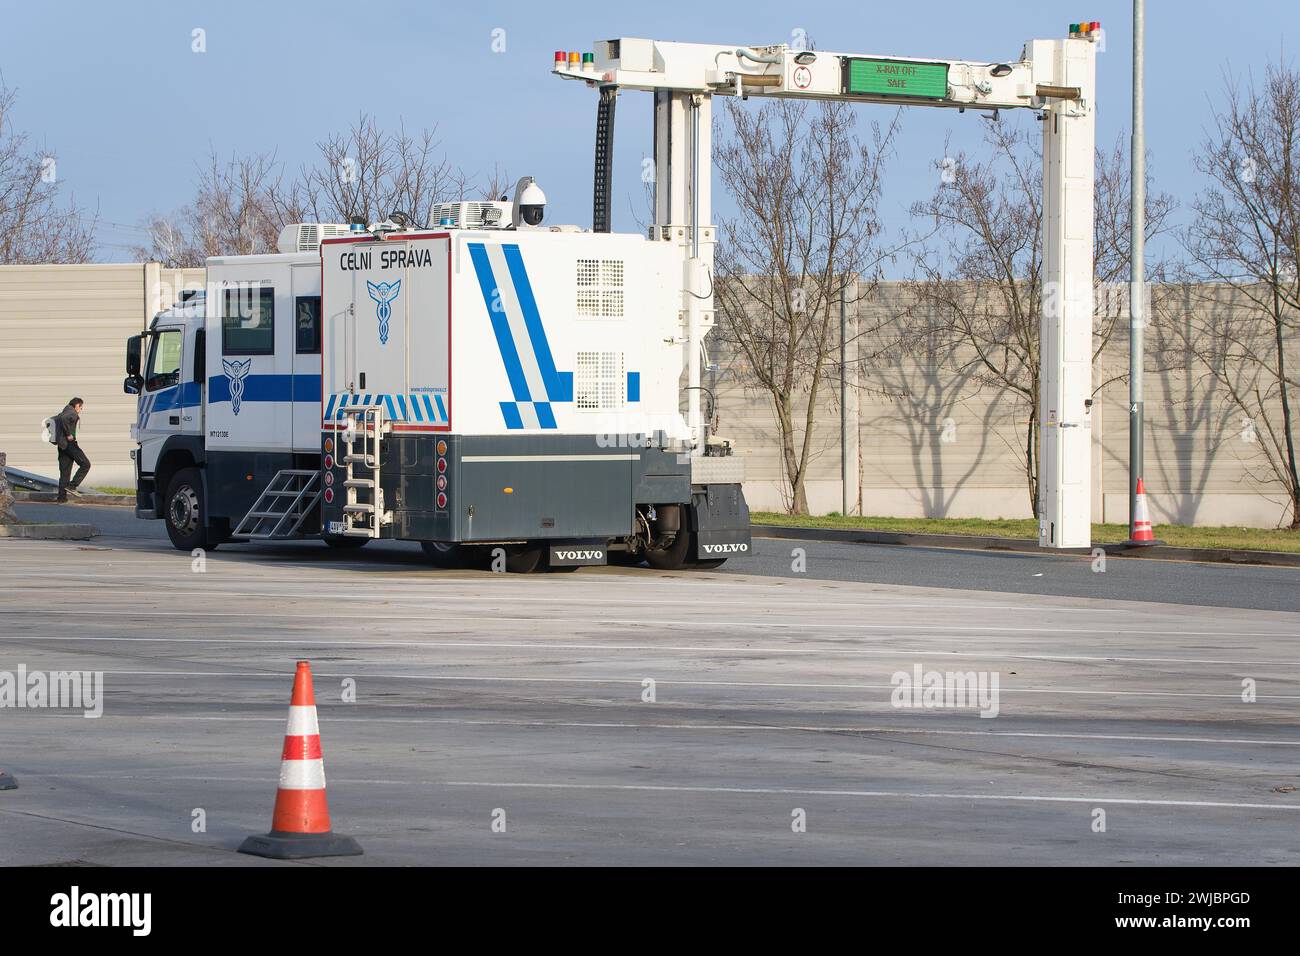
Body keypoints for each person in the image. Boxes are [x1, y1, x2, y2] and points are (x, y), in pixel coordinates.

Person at [56, 397, 91, 502]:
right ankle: (72, 486)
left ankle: (61, 498)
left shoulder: (64, 411)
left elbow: (62, 419)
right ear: (77, 405)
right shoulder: (71, 413)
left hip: (61, 445)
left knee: (65, 473)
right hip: (69, 444)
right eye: (81, 407)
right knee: (85, 464)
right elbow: (64, 419)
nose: (81, 409)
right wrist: (68, 434)